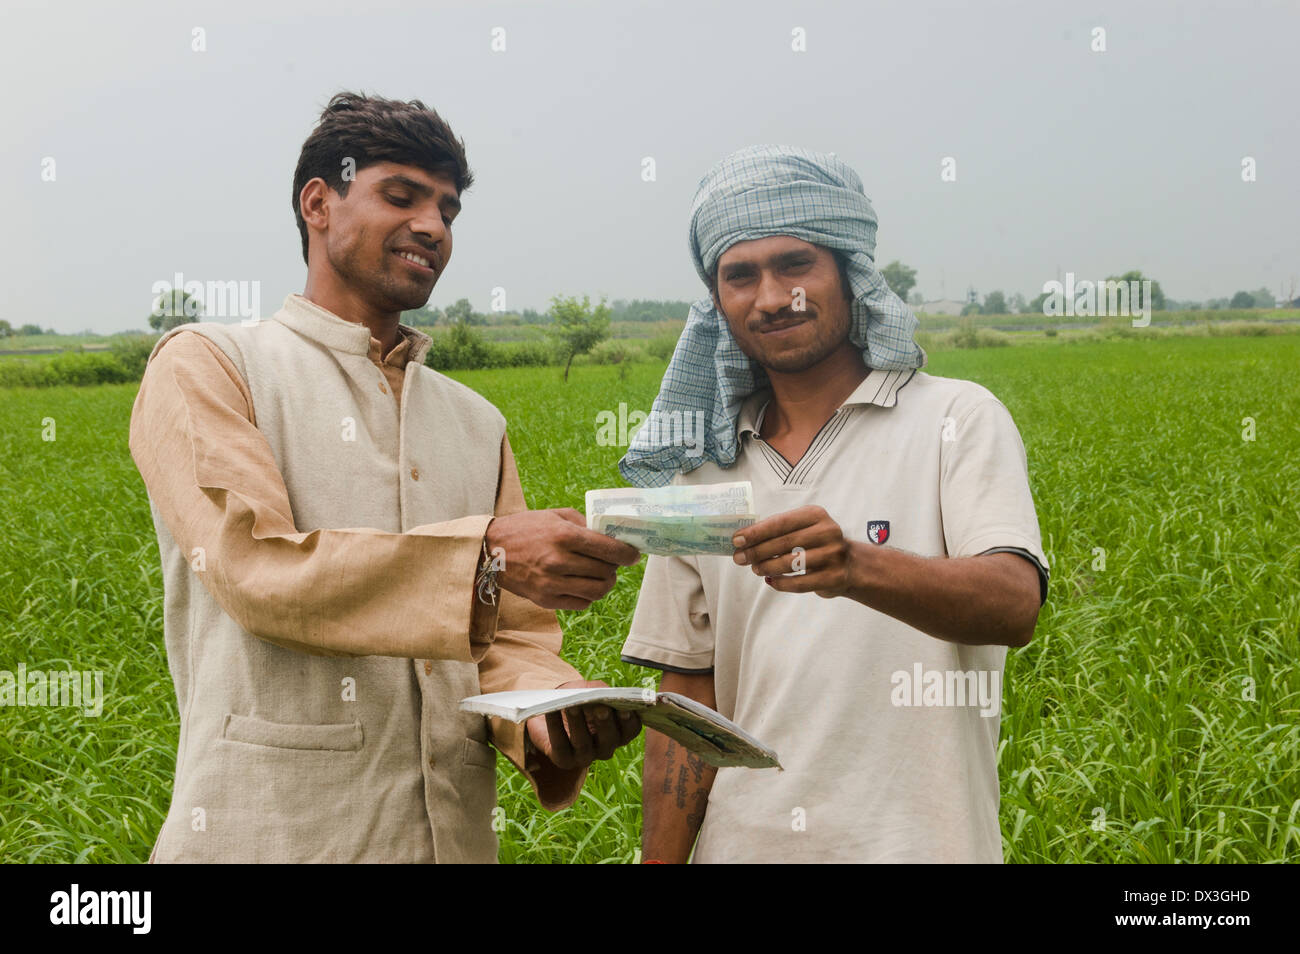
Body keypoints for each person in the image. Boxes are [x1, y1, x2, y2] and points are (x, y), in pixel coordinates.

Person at [128, 91, 642, 863]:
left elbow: (510, 636)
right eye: (400, 195)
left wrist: (546, 716)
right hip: (270, 839)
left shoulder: (476, 421)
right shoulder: (211, 365)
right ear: (318, 204)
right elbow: (252, 568)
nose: (432, 226)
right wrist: (490, 555)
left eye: (448, 210)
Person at [619, 145, 1049, 863]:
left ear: (849, 273)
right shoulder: (703, 471)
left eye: (795, 264)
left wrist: (855, 566)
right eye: (739, 275)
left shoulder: (955, 421)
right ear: (717, 300)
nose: (769, 296)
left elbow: (1013, 604)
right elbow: (687, 700)